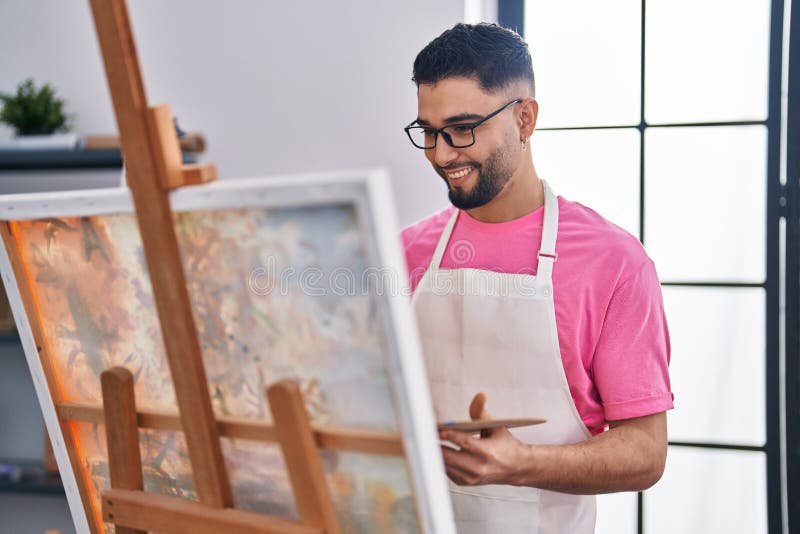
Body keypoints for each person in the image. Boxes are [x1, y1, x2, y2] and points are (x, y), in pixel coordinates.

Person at [401, 23, 673, 533]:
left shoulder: (613, 262)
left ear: (524, 119)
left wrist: (520, 463)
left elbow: (646, 453)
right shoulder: (404, 253)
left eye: (462, 129)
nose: (441, 154)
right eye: (429, 132)